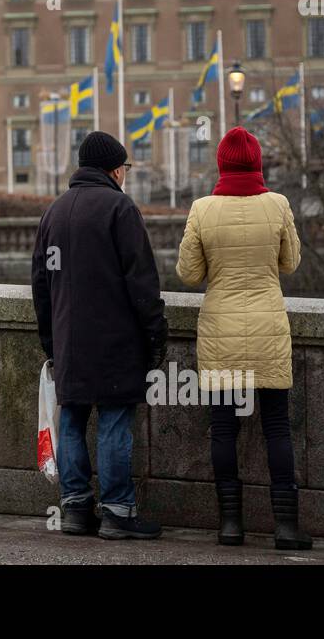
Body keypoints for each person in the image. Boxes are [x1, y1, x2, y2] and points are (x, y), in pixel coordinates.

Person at [176, 126, 309, 550]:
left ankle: (231, 524)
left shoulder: (202, 209)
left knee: (222, 430)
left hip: (221, 332)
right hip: (269, 328)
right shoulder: (278, 204)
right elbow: (290, 263)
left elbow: (189, 274)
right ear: (257, 164)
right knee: (277, 428)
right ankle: (286, 528)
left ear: (221, 164)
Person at [31, 130, 167, 540]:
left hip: (69, 339)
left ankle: (75, 508)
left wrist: (51, 342)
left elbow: (40, 284)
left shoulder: (54, 212)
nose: (124, 174)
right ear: (114, 170)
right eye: (123, 168)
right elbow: (142, 281)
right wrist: (156, 333)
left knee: (72, 418)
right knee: (113, 423)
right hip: (116, 341)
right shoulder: (120, 209)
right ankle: (117, 512)